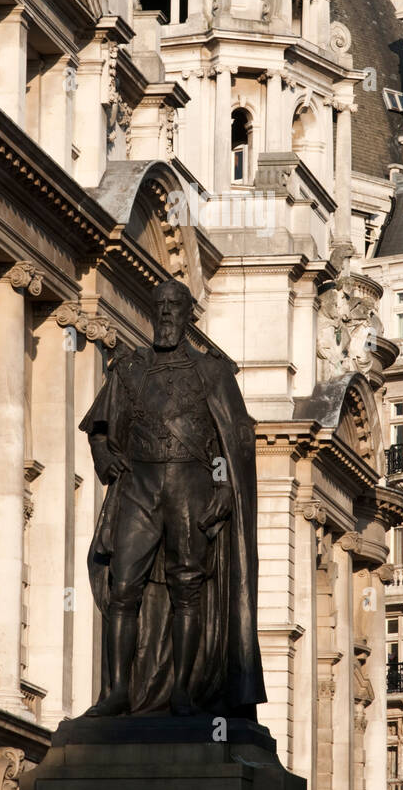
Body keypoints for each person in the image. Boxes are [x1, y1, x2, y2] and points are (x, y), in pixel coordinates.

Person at [79, 279, 266, 717]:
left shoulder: (213, 372)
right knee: (124, 586)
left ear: (187, 316)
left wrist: (223, 486)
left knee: (187, 587)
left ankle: (184, 691)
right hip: (139, 485)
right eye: (159, 306)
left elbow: (231, 442)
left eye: (173, 306)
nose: (165, 313)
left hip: (190, 484)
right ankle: (118, 692)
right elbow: (99, 426)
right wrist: (103, 453)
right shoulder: (129, 368)